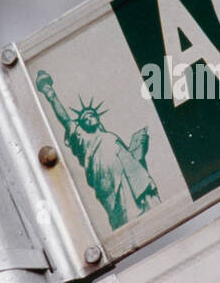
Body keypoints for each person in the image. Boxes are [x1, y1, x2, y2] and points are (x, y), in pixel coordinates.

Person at [36, 71, 158, 229]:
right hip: (105, 181)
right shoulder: (83, 139)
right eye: (84, 118)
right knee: (124, 219)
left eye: (91, 115)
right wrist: (50, 95)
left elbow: (136, 165)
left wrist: (140, 150)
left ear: (98, 118)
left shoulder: (111, 137)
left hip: (131, 183)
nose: (88, 118)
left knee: (145, 208)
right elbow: (66, 120)